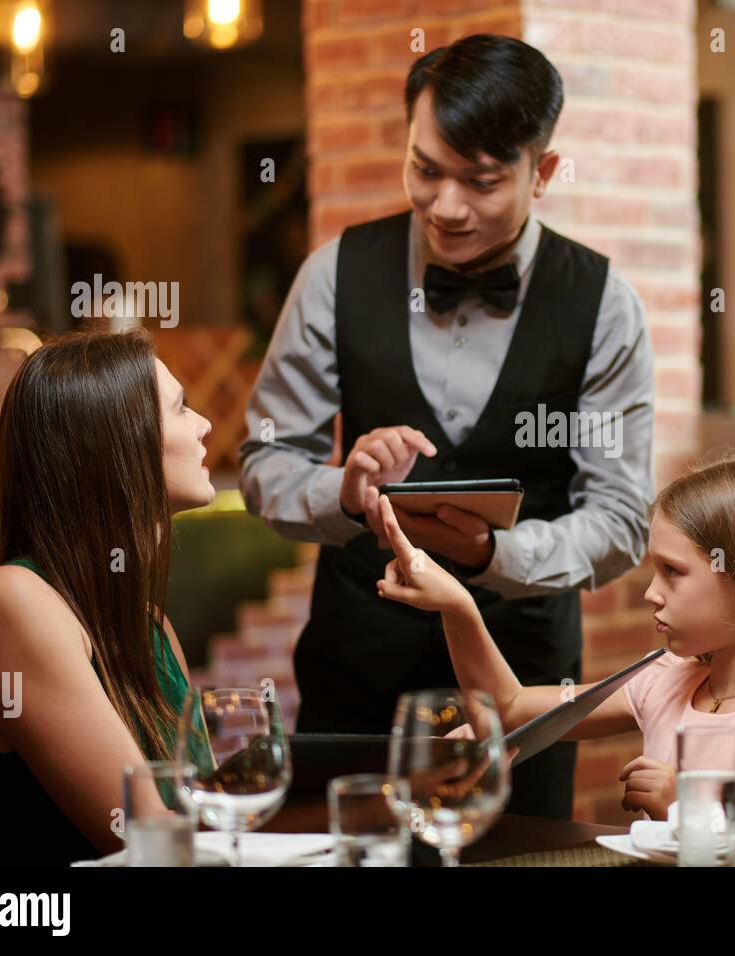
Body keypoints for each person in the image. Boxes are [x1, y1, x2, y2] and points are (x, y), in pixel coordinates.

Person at [239, 34, 655, 819]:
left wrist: (500, 553)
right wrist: (344, 490)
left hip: (518, 693)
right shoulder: (333, 276)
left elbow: (621, 518)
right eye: (425, 170)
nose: (447, 206)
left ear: (546, 172)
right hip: (353, 672)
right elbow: (264, 462)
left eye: (484, 180)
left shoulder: (603, 305)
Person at [375, 449, 735, 824]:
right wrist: (457, 606)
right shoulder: (662, 682)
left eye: (673, 572)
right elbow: (506, 706)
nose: (651, 594)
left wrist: (689, 810)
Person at [0, 331, 215, 865]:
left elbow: (208, 815)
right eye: (182, 408)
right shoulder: (11, 602)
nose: (206, 424)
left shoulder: (150, 625)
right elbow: (150, 844)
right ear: (116, 444)